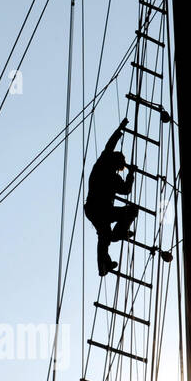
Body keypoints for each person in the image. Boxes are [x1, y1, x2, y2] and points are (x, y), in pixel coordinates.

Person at [84, 118, 137, 276]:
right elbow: (126, 189)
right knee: (131, 211)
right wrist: (131, 174)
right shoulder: (105, 166)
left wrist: (120, 129)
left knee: (104, 236)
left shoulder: (104, 166)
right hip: (101, 210)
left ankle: (104, 263)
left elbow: (125, 190)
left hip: (94, 210)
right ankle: (117, 235)